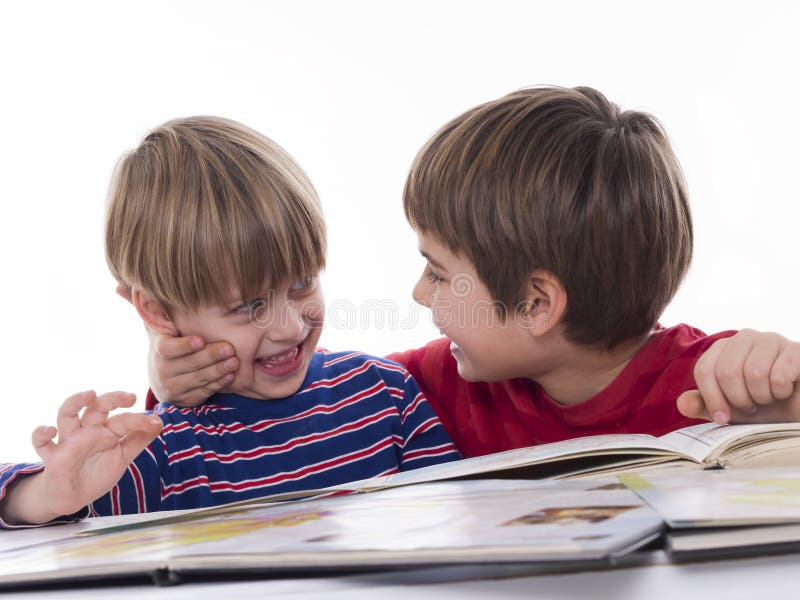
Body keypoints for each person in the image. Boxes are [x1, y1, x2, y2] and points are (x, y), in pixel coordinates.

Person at [143, 87, 800, 458]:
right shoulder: (440, 382)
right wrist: (180, 381)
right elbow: (310, 395)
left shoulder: (716, 383)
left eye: (437, 270)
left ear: (538, 304)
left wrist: (784, 384)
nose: (418, 293)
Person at [0, 117, 459, 527]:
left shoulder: (384, 393)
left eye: (302, 282)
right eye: (248, 306)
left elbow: (462, 521)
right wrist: (47, 493)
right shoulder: (161, 452)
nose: (289, 327)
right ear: (158, 313)